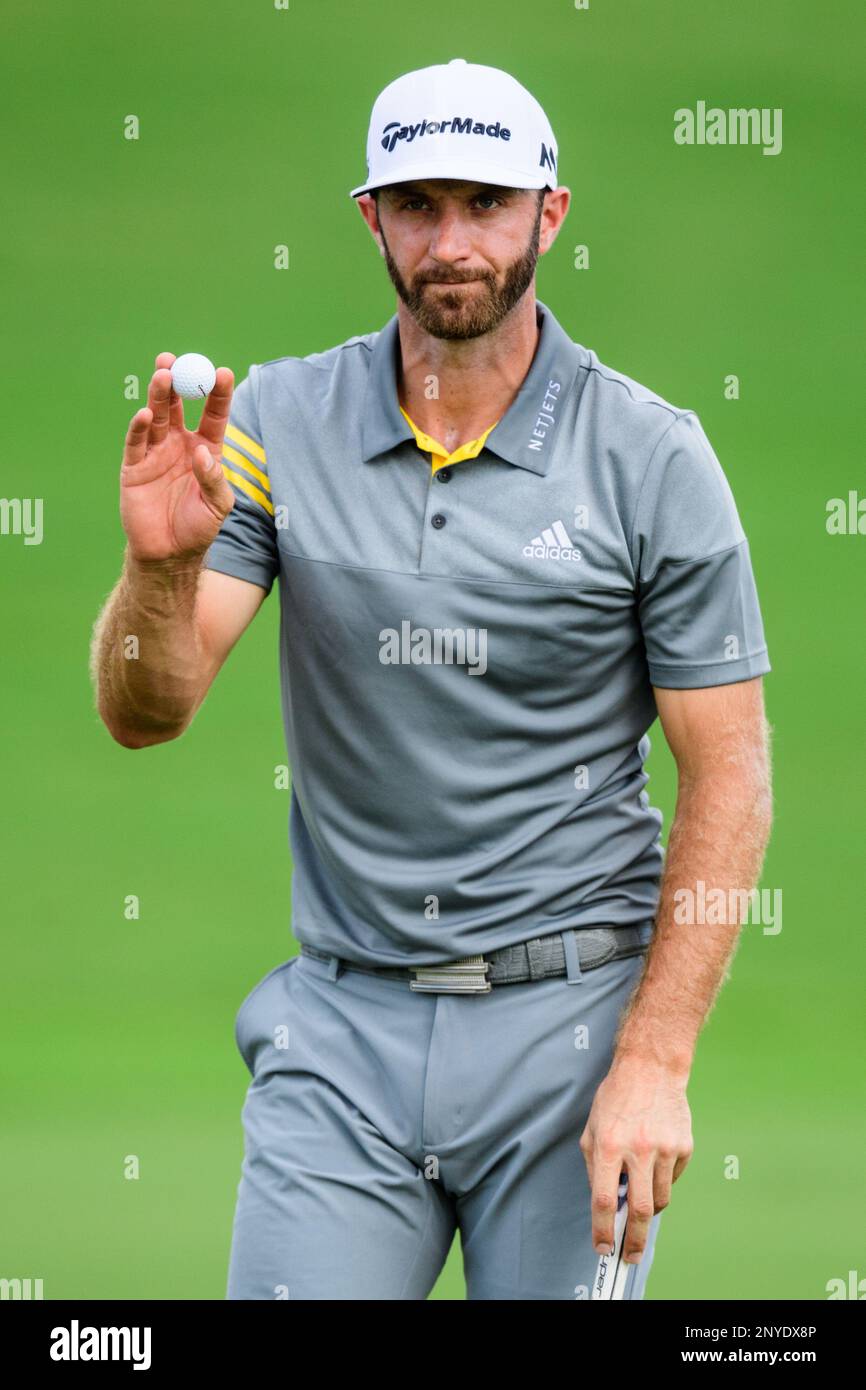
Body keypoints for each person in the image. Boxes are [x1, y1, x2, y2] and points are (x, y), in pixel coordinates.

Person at [90, 59, 773, 1300]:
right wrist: (159, 577)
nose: (451, 241)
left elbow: (728, 769)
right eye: (416, 205)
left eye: (485, 203)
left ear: (547, 214)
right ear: (371, 219)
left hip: (570, 1035)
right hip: (342, 1031)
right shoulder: (273, 421)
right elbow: (149, 709)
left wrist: (654, 1058)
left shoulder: (650, 454)